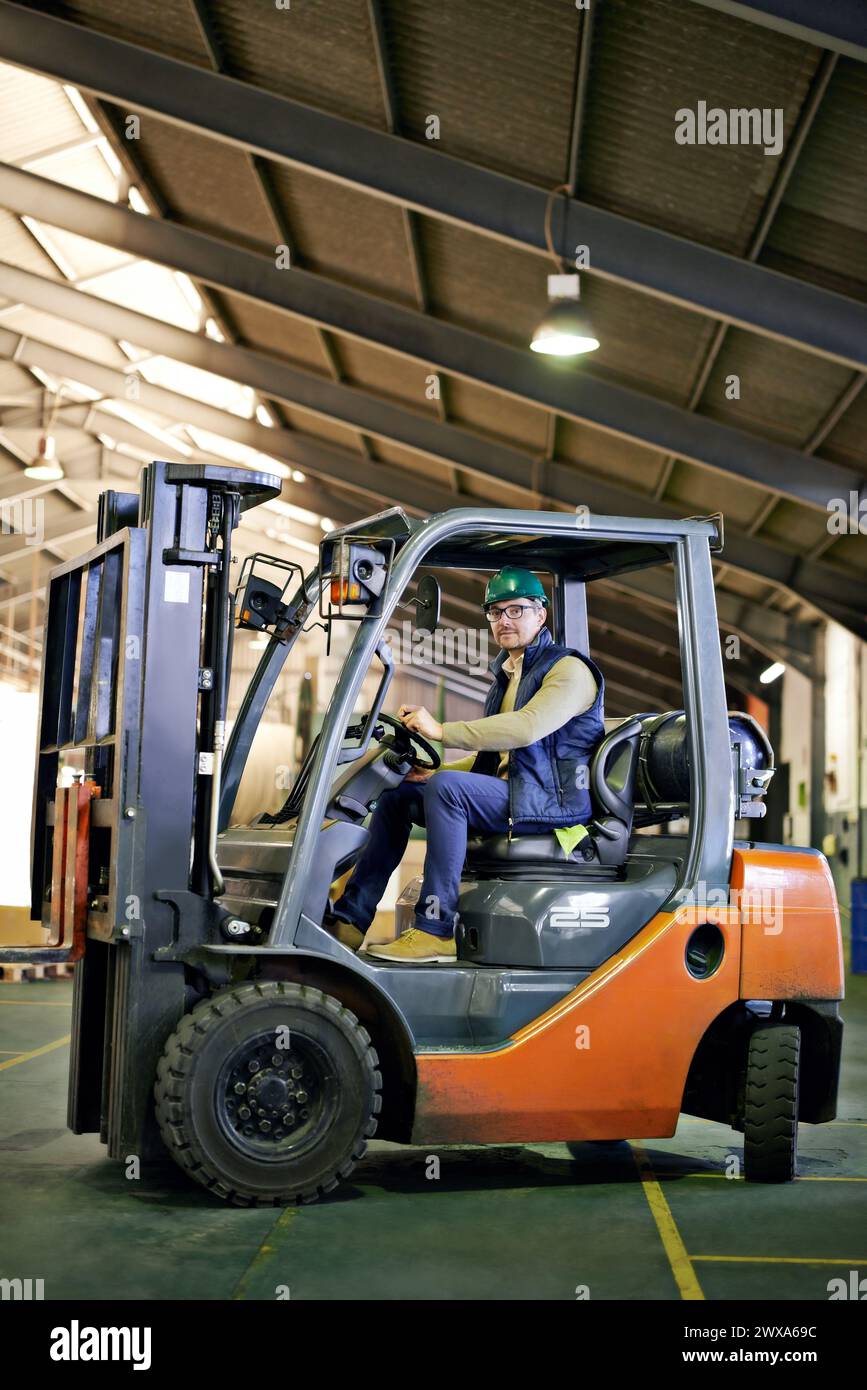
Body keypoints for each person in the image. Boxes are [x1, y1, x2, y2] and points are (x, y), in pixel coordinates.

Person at [328, 566, 605, 963]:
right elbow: (490, 758)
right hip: (515, 793)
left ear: (540, 614)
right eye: (495, 612)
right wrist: (433, 772)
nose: (503, 621)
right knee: (400, 794)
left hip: (553, 804)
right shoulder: (510, 675)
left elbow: (526, 729)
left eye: (516, 610)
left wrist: (442, 730)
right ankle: (350, 920)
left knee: (447, 792)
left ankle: (435, 931)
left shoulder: (569, 671)